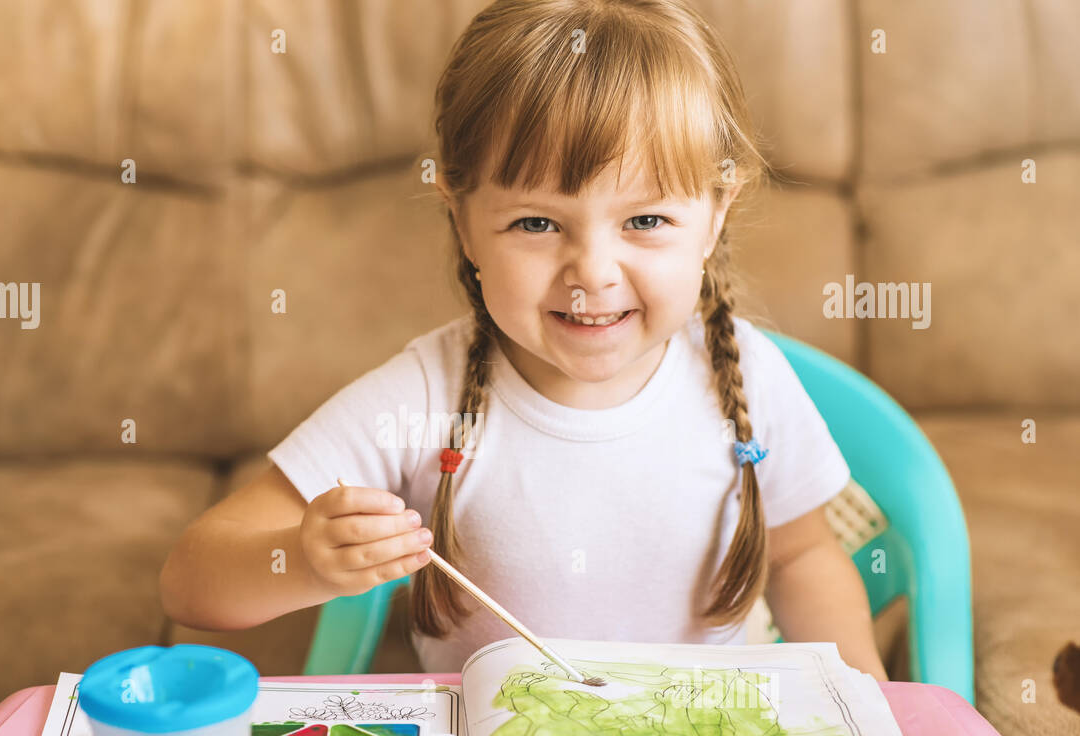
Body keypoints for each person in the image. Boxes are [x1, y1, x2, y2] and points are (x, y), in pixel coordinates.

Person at [160, 0, 889, 682]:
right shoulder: (422, 396)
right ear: (463, 219)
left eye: (646, 221)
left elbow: (802, 559)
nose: (593, 273)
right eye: (537, 224)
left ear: (715, 216)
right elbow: (191, 582)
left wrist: (870, 704)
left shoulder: (750, 379)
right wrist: (304, 559)